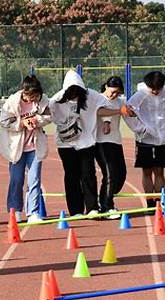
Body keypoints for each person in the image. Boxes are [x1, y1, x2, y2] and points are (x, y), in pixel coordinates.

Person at [50, 70, 121, 217]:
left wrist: (118, 111)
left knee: (88, 174)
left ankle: (92, 208)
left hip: (86, 142)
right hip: (66, 144)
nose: (74, 96)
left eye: (77, 92)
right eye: (71, 93)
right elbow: (48, 115)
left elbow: (102, 109)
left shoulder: (92, 95)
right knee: (71, 176)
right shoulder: (56, 100)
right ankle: (75, 210)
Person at [122, 71, 165, 211]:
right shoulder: (140, 96)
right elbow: (127, 113)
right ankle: (150, 201)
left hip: (164, 138)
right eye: (151, 88)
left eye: (158, 88)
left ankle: (160, 201)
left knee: (159, 171)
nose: (154, 91)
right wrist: (140, 129)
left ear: (163, 86)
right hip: (145, 139)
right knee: (146, 171)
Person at [0, 75, 51, 223]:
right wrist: (21, 123)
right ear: (24, 92)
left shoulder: (43, 101)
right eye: (30, 96)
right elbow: (4, 121)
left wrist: (36, 120)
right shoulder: (12, 102)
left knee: (34, 179)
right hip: (16, 147)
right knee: (16, 180)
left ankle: (33, 212)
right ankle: (14, 211)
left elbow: (48, 116)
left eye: (35, 96)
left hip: (35, 146)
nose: (32, 99)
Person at [96, 76, 127, 219]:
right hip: (100, 141)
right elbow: (101, 112)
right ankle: (106, 206)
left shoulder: (120, 102)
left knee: (121, 174)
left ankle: (105, 197)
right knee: (109, 173)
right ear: (106, 87)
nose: (114, 95)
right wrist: (117, 112)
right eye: (112, 91)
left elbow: (127, 111)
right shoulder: (99, 98)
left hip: (115, 141)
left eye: (117, 93)